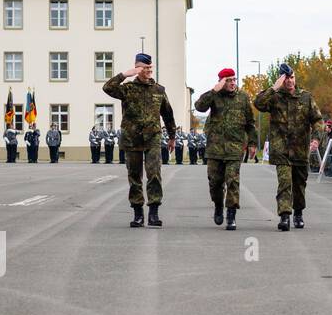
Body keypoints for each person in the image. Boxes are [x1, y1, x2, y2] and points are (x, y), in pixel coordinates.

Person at [103, 52, 177, 228]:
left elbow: (168, 114)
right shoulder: (127, 89)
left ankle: (153, 213)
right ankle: (138, 214)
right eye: (145, 68)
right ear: (137, 68)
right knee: (134, 177)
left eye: (150, 68)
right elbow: (107, 88)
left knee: (154, 175)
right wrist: (123, 75)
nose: (149, 71)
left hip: (153, 138)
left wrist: (172, 136)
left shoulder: (159, 90)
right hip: (132, 138)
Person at [254, 63, 324, 231]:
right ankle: (285, 216)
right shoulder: (275, 96)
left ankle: (298, 213)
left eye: (292, 77)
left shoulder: (306, 97)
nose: (290, 81)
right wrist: (273, 87)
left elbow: (318, 120)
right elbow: (258, 104)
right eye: (286, 79)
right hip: (281, 149)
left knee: (299, 184)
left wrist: (316, 139)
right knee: (284, 182)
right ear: (281, 80)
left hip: (300, 148)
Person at [195, 68, 257, 230]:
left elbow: (250, 123)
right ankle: (218, 205)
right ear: (221, 81)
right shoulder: (214, 96)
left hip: (235, 149)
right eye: (228, 80)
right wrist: (213, 91)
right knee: (215, 183)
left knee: (233, 181)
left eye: (234, 80)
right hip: (215, 149)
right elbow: (199, 107)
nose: (232, 83)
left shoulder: (243, 97)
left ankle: (231, 215)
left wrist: (252, 143)